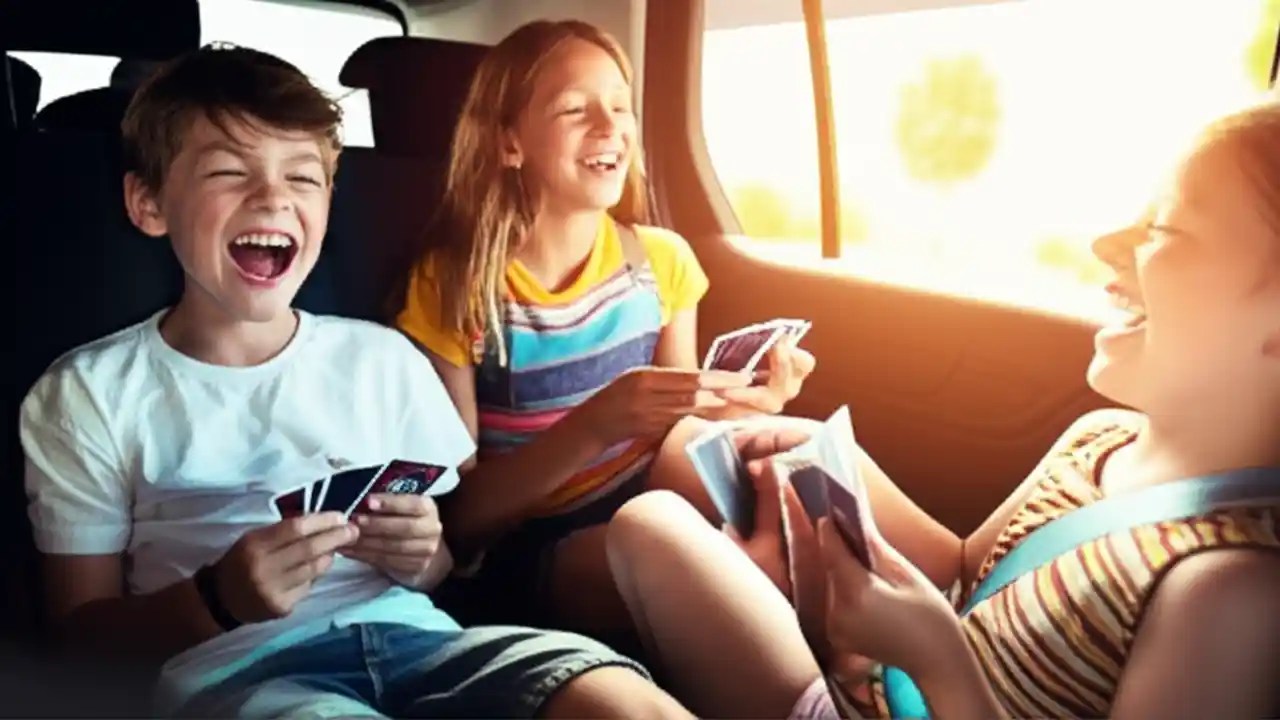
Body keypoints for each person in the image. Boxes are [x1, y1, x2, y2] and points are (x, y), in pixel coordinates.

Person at [18, 44, 693, 720]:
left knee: (622, 701)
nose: (273, 198)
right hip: (241, 675)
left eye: (302, 178)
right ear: (149, 203)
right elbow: (79, 642)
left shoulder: (383, 361)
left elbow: (441, 564)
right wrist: (217, 599)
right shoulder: (88, 394)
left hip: (423, 642)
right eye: (229, 172)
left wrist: (424, 553)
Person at [605, 102, 1280, 719]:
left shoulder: (1230, 596)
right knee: (655, 513)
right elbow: (964, 570)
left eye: (1164, 230)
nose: (1107, 244)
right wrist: (828, 459)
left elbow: (947, 643)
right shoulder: (1101, 438)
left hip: (924, 684)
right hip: (889, 683)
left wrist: (937, 660)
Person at [396, 19, 815, 635]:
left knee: (787, 444)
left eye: (621, 105)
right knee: (680, 552)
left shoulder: (662, 261)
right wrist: (596, 424)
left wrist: (751, 404)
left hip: (651, 486)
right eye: (574, 109)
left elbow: (680, 426)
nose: (610, 125)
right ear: (510, 143)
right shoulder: (453, 286)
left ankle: (959, 571)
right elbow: (458, 519)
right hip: (536, 544)